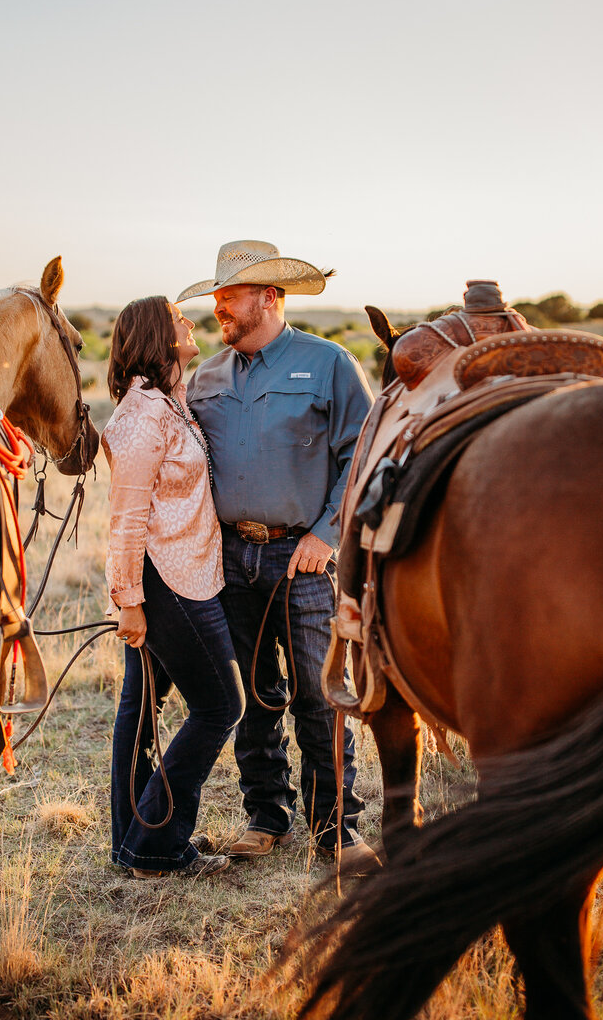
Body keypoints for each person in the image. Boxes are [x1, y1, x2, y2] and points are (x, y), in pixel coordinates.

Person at [178, 240, 379, 871]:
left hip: (306, 558)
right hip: (230, 556)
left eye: (229, 295)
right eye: (216, 296)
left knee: (319, 696)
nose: (219, 306)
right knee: (253, 697)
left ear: (269, 297)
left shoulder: (329, 364)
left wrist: (326, 533)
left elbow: (361, 455)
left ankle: (335, 830)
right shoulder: (205, 376)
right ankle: (266, 814)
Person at [103, 295, 245, 879]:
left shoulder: (168, 401)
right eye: (178, 318)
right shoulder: (143, 415)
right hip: (167, 582)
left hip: (181, 572)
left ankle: (134, 841)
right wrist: (129, 601)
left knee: (141, 711)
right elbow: (127, 517)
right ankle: (158, 844)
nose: (191, 324)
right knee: (221, 707)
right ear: (156, 336)